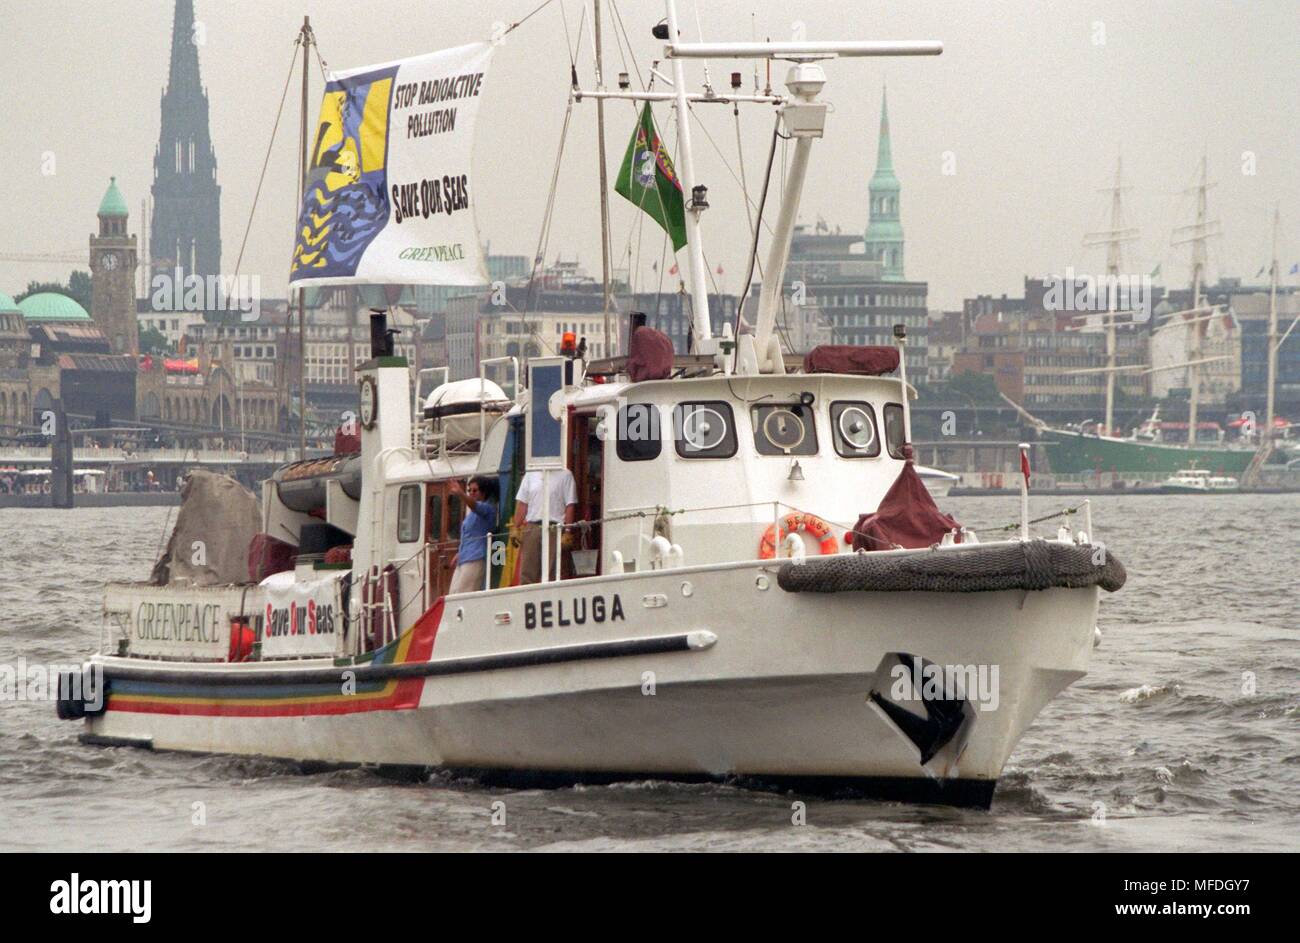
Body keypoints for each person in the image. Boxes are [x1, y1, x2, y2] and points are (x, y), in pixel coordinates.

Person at [513, 467, 577, 584]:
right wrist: (515, 527)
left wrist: (567, 531)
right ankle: (527, 598)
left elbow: (570, 504)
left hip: (554, 528)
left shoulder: (566, 474)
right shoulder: (530, 474)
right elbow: (523, 503)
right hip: (532, 527)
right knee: (527, 570)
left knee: (552, 571)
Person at [447, 476, 499, 594]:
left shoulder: (488, 509)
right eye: (469, 490)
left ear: (484, 492)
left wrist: (460, 494)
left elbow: (475, 506)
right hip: (464, 558)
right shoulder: (471, 514)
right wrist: (459, 553)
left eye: (474, 490)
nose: (471, 493)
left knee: (464, 593)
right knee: (453, 593)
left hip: (476, 557)